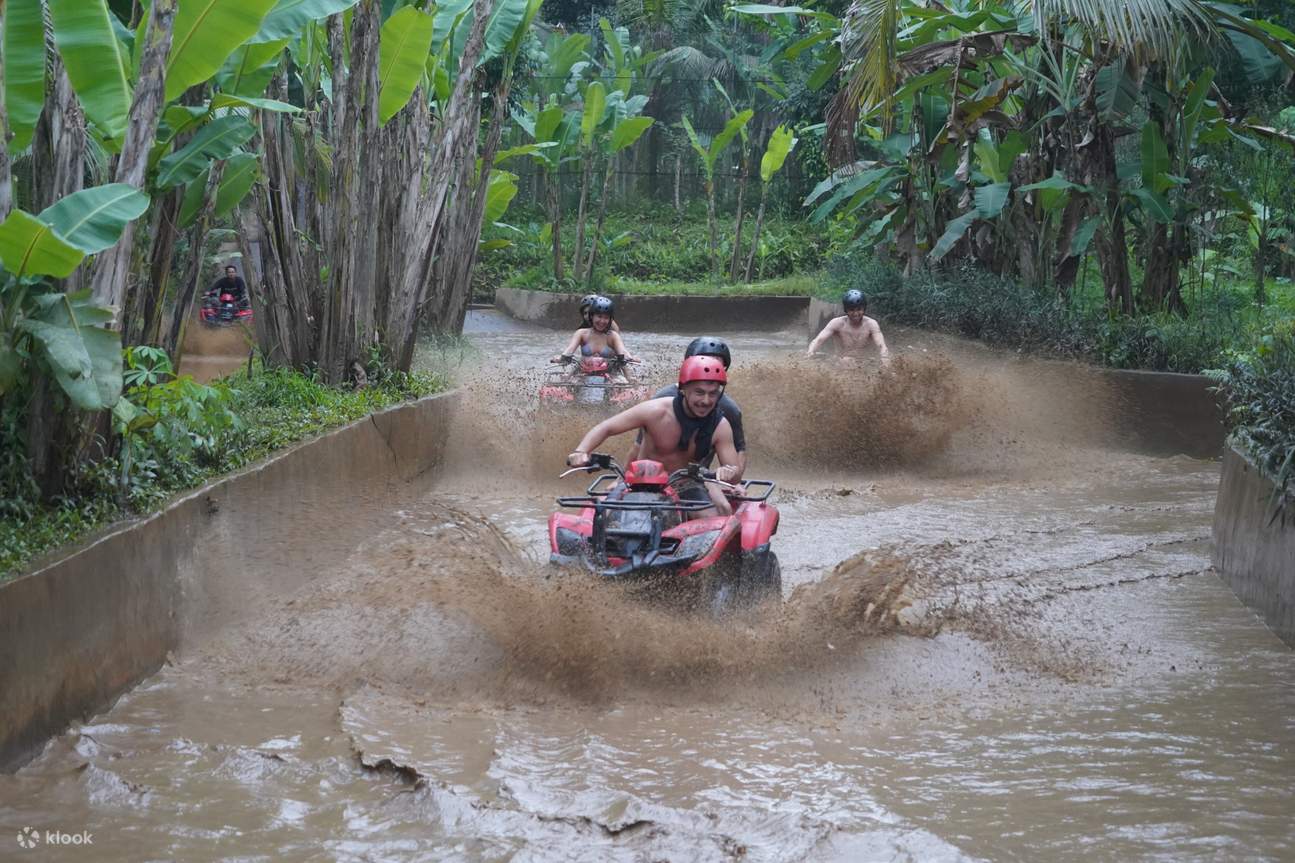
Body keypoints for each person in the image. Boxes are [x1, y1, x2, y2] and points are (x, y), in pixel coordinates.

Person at [567, 356, 739, 517]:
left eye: (713, 393)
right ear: (683, 389)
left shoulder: (721, 426)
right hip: (639, 482)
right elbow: (606, 427)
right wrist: (581, 451)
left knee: (714, 522)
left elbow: (734, 471)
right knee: (598, 515)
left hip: (685, 485)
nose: (706, 401)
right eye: (699, 392)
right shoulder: (656, 411)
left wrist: (728, 472)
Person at [625, 336, 747, 481]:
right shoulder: (661, 400)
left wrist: (735, 480)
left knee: (722, 504)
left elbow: (739, 450)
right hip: (653, 477)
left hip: (697, 479)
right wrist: (620, 480)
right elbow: (638, 445)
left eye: (716, 366)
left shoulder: (729, 409)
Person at [553, 295, 637, 369]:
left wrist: (630, 358)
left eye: (606, 318)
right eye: (599, 316)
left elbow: (622, 350)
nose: (602, 321)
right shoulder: (581, 333)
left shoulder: (613, 335)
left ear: (610, 319)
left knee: (624, 381)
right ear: (592, 316)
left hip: (609, 372)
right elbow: (570, 349)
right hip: (584, 371)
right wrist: (562, 358)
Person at [807, 289, 890, 363]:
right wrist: (811, 351)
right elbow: (819, 340)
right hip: (840, 364)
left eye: (859, 309)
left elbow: (881, 346)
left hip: (864, 365)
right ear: (846, 310)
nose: (856, 313)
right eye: (851, 310)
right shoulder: (836, 323)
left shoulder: (871, 324)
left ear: (864, 308)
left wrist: (885, 358)